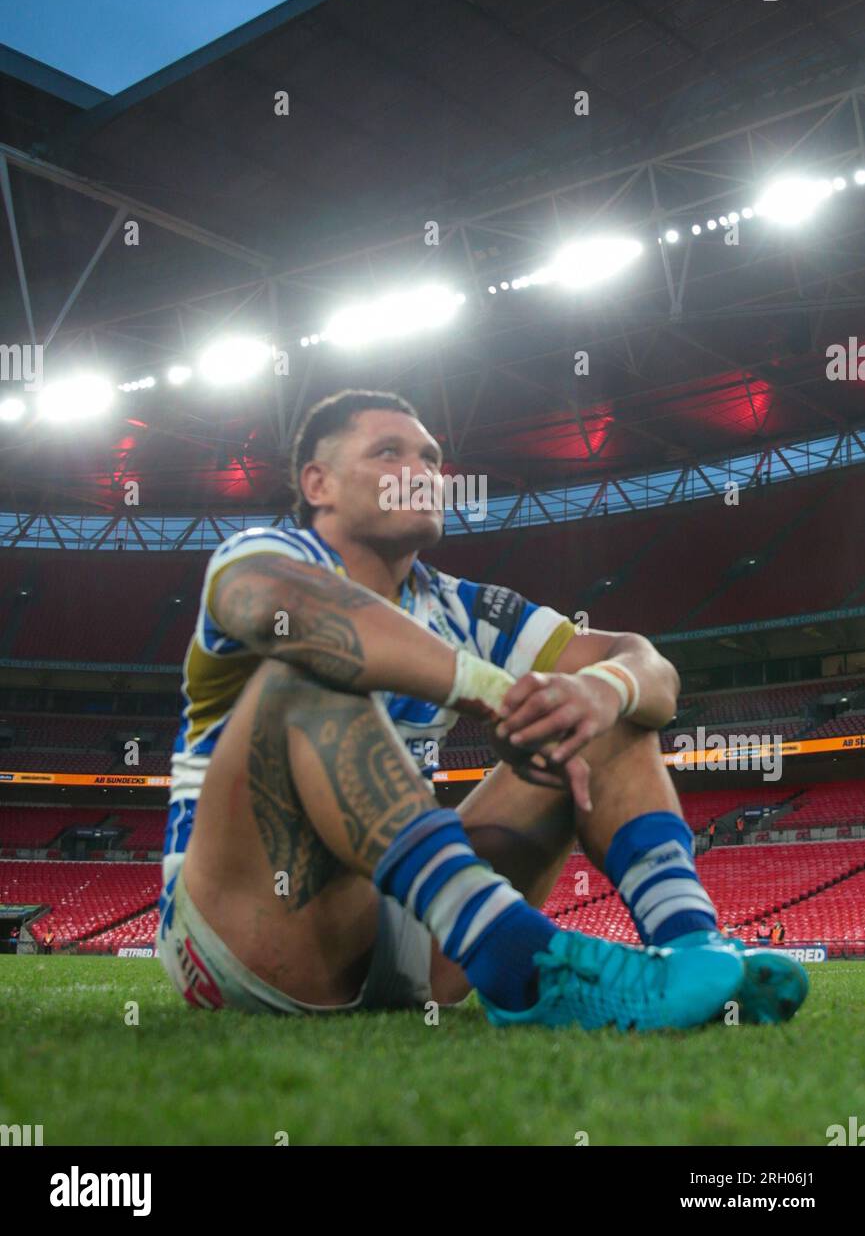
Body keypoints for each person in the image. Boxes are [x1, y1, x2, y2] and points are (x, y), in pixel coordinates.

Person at [158, 389, 807, 1030]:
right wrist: (495, 695)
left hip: (414, 938)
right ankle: (519, 961)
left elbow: (649, 670)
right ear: (317, 483)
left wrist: (602, 689)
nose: (420, 474)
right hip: (257, 928)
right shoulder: (260, 558)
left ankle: (697, 955)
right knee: (303, 667)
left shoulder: (462, 606)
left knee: (598, 706)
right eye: (389, 454)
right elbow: (309, 619)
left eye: (431, 460)